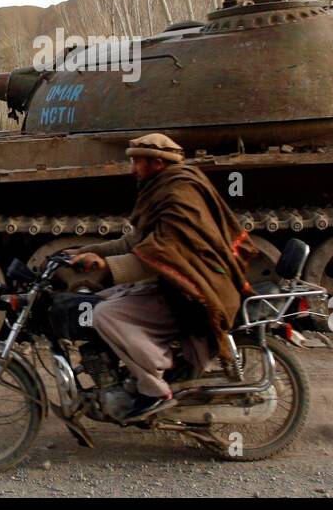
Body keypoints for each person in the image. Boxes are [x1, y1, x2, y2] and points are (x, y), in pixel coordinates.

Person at [69, 133, 256, 422]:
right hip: (178, 282)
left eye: (137, 162)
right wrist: (87, 250)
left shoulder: (178, 193)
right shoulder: (162, 187)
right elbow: (138, 243)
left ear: (157, 162)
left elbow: (164, 255)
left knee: (105, 314)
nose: (132, 169)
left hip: (197, 289)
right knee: (102, 298)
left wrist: (106, 265)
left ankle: (156, 388)